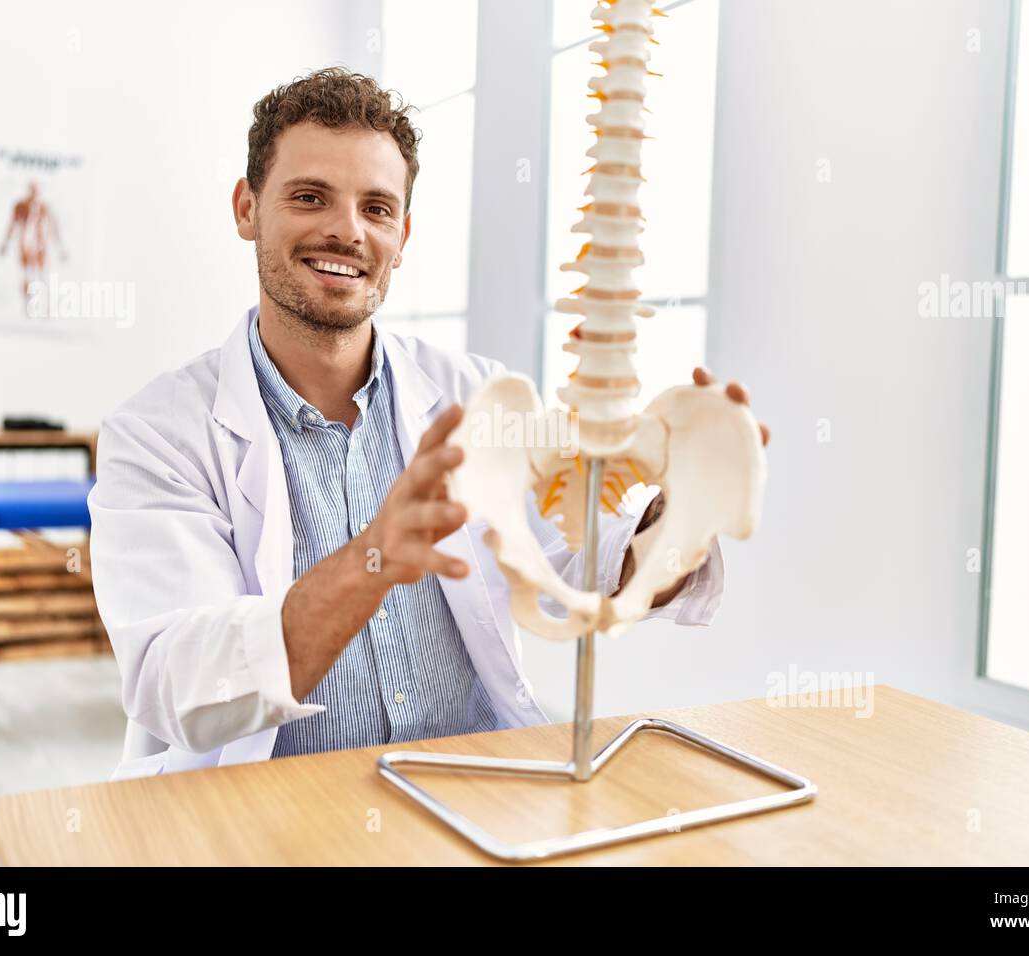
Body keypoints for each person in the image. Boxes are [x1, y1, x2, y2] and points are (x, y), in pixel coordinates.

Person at [88, 68, 769, 780]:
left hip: (475, 792)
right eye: (310, 197)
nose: (347, 231)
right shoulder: (157, 434)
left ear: (402, 235)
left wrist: (682, 513)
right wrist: (371, 559)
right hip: (272, 813)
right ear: (246, 208)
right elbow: (176, 681)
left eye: (376, 209)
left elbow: (586, 573)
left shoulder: (477, 397)